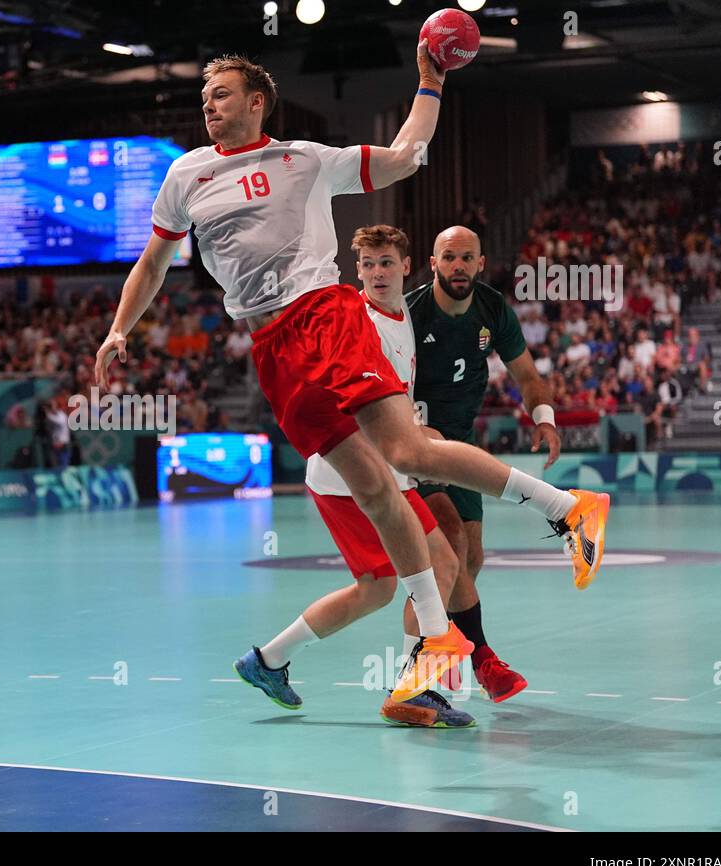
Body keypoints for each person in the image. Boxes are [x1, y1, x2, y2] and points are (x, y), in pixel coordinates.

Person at [94, 51, 610, 704]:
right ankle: (437, 636)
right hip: (270, 346)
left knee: (405, 452)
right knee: (372, 489)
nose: (208, 104)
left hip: (322, 315)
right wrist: (119, 327)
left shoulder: (304, 160)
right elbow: (152, 263)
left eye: (221, 93)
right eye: (205, 96)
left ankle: (569, 510)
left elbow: (405, 155)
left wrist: (431, 80)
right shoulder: (185, 174)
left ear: (258, 102)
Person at [236, 225, 474, 727]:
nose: (376, 273)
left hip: (374, 472)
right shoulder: (359, 321)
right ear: (356, 271)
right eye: (367, 264)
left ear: (407, 267)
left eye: (386, 262)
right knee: (431, 569)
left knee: (379, 586)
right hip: (351, 475)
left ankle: (268, 661)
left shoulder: (403, 311)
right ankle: (415, 689)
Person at [407, 226, 568, 703]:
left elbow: (526, 374)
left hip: (462, 444)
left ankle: (447, 650)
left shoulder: (493, 308)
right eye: (449, 257)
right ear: (433, 263)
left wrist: (544, 418)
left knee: (469, 560)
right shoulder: (412, 313)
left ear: (480, 264)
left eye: (467, 258)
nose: (458, 266)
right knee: (449, 545)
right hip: (417, 441)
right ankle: (469, 662)